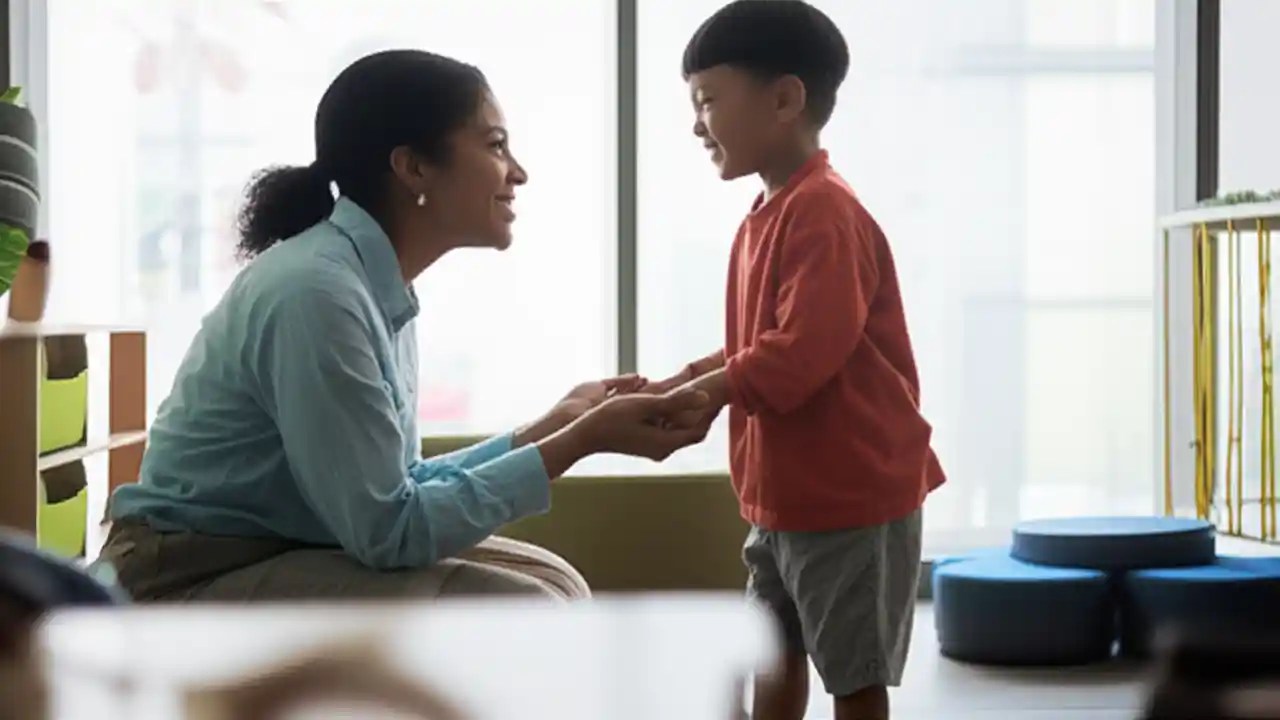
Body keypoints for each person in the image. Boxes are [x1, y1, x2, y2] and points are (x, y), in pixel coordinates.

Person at [97, 49, 714, 603]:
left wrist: (552, 428)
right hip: (183, 580)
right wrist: (578, 442)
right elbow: (388, 532)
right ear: (414, 168)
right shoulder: (318, 294)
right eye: (496, 146)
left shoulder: (370, 283)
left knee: (557, 585)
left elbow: (399, 488)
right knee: (529, 610)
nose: (518, 172)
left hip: (284, 551)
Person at [643, 3, 946, 719]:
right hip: (785, 500)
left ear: (783, 99)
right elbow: (762, 342)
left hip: (849, 498)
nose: (696, 123)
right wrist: (688, 381)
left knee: (852, 675)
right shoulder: (768, 212)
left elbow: (803, 352)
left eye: (708, 100)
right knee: (772, 657)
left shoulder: (825, 212)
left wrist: (714, 391)